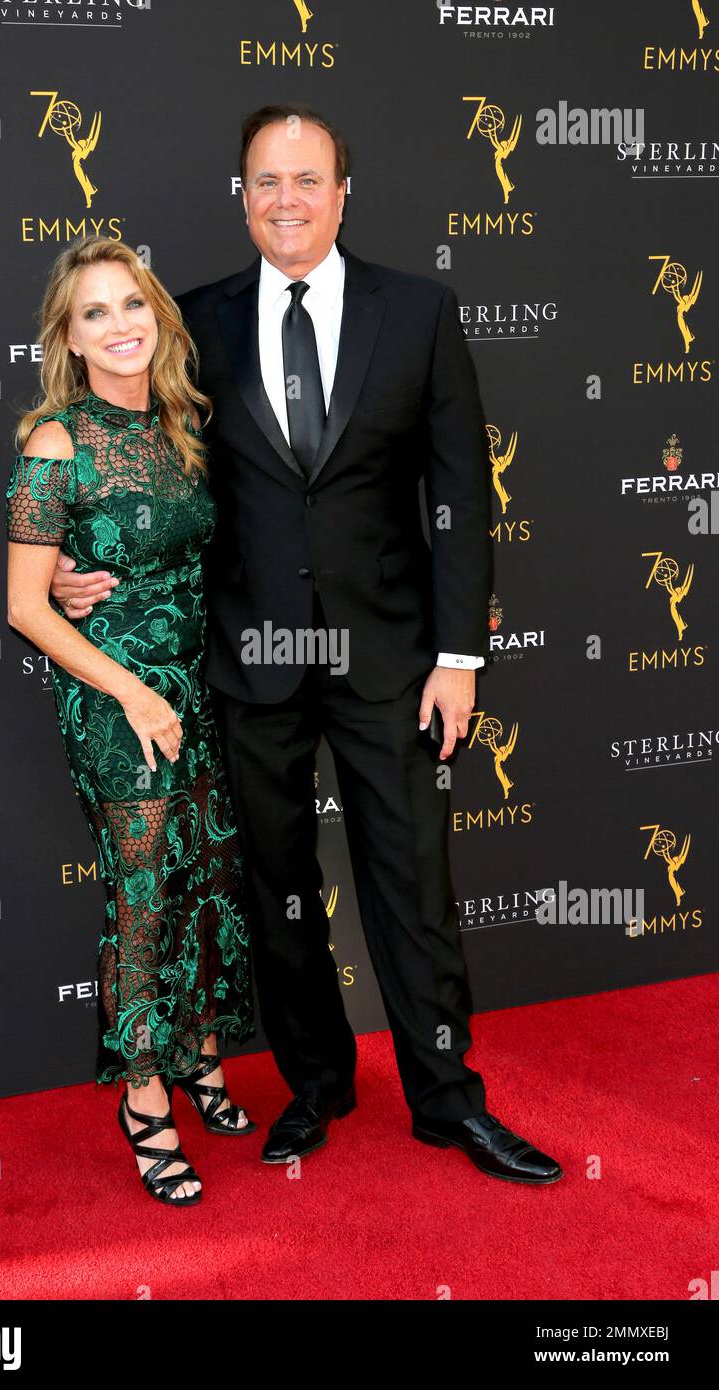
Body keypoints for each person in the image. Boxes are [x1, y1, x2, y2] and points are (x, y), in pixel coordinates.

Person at [50, 106, 563, 1186]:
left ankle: (446, 1098)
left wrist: (460, 658)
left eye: (307, 179)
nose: (286, 198)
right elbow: (133, 462)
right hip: (249, 665)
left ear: (343, 191)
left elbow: (462, 497)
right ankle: (316, 1085)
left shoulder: (418, 312)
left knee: (412, 886)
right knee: (277, 892)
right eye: (265, 181)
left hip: (391, 663)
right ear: (241, 194)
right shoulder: (194, 323)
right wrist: (62, 557)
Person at [5, 237, 256, 1208]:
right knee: (143, 892)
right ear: (68, 339)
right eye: (94, 313)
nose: (120, 326)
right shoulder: (54, 442)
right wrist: (132, 690)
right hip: (114, 696)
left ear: (158, 316)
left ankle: (197, 1053)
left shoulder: (182, 422)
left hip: (194, 686)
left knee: (206, 876)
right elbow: (28, 605)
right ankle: (144, 1095)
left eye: (131, 305)